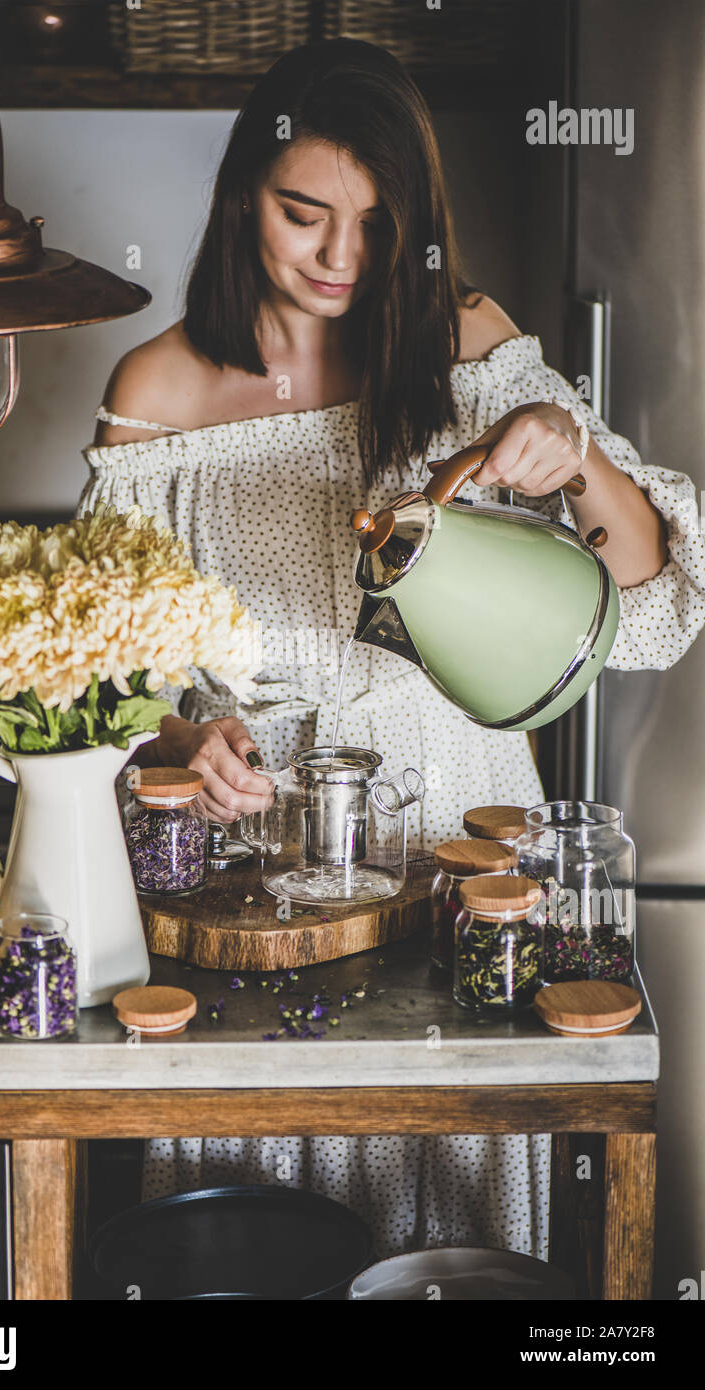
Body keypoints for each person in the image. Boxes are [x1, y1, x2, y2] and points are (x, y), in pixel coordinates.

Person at [76, 39, 705, 1258]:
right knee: (259, 1236)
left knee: (454, 1242)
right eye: (303, 213)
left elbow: (655, 599)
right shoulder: (157, 391)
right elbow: (108, 681)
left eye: (376, 223)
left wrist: (569, 450)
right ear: (237, 198)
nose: (341, 259)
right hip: (259, 897)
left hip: (466, 868)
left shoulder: (464, 348)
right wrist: (185, 737)